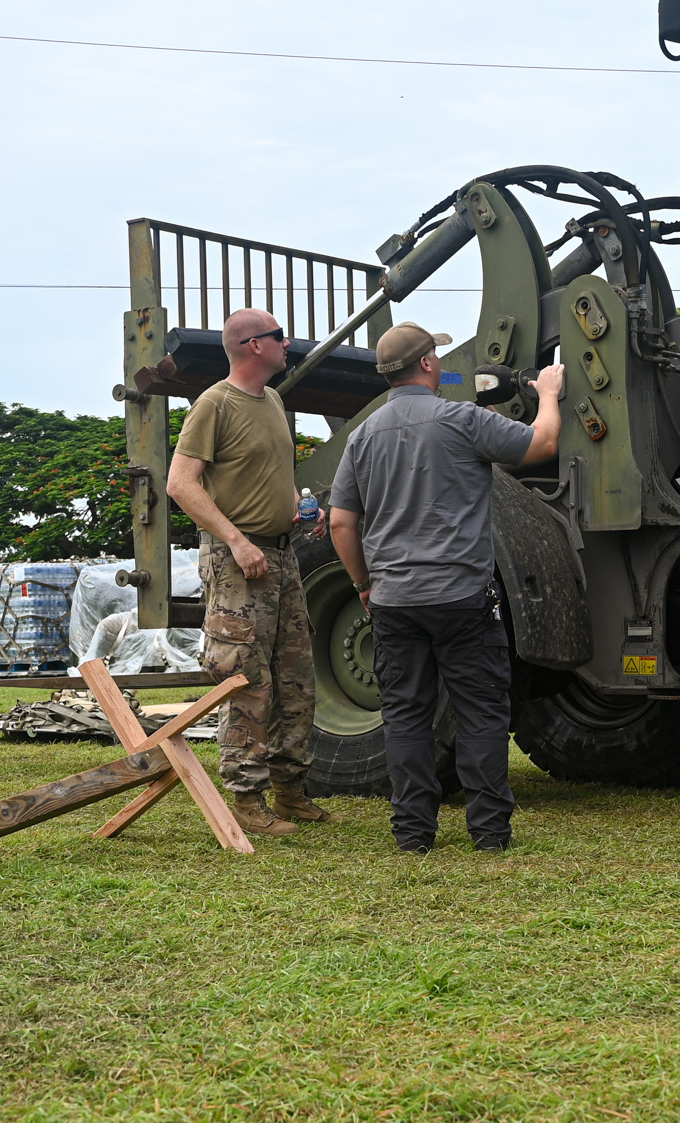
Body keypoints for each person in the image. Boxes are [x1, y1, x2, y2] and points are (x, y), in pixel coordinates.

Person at [328, 323, 566, 854]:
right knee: (480, 710)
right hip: (461, 597)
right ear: (428, 363)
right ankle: (489, 832)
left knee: (406, 715)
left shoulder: (362, 436)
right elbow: (543, 442)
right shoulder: (462, 419)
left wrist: (364, 584)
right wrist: (549, 393)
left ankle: (413, 833)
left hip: (393, 601)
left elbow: (342, 521)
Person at [164, 306, 326, 839]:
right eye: (280, 336)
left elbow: (268, 475)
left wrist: (299, 507)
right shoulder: (214, 404)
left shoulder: (273, 400)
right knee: (246, 679)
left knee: (296, 678)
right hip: (239, 563)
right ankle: (247, 799)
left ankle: (290, 791)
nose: (288, 344)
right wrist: (236, 541)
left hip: (281, 556)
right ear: (254, 345)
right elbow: (180, 484)